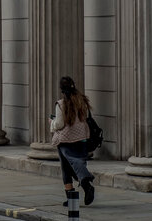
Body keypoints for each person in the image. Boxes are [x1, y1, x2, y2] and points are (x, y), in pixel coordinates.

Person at [50, 76, 95, 207]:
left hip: (65, 140)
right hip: (82, 138)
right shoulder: (82, 101)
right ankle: (86, 186)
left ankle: (74, 194)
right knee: (77, 162)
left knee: (66, 167)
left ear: (62, 90)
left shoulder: (61, 104)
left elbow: (59, 124)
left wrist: (51, 122)